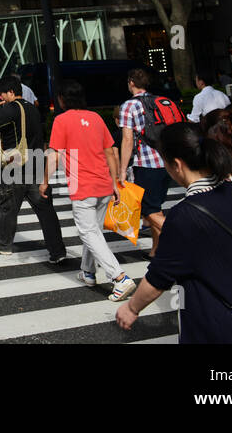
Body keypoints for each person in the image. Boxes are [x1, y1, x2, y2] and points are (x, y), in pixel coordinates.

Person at [115, 123, 232, 343]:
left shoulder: (185, 215)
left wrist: (132, 308)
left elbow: (159, 276)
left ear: (177, 165)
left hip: (216, 322)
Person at [41, 80, 135, 299]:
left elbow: (54, 155)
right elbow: (110, 151)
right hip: (103, 184)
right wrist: (114, 183)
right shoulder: (96, 118)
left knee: (88, 232)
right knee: (94, 231)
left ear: (62, 99)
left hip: (82, 186)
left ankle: (120, 278)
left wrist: (44, 181)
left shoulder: (61, 120)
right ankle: (88, 271)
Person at [0, 75, 66, 264]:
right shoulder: (33, 109)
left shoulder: (9, 109)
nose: (2, 98)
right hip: (37, 165)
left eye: (3, 94)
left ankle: (2, 244)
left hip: (15, 167)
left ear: (11, 92)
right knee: (46, 212)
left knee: (8, 207)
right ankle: (57, 251)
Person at [117, 68, 169, 257]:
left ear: (131, 82)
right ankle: (156, 250)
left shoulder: (129, 106)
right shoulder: (160, 102)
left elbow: (127, 140)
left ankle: (180, 240)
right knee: (156, 206)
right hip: (166, 162)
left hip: (145, 164)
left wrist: (122, 170)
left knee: (149, 210)